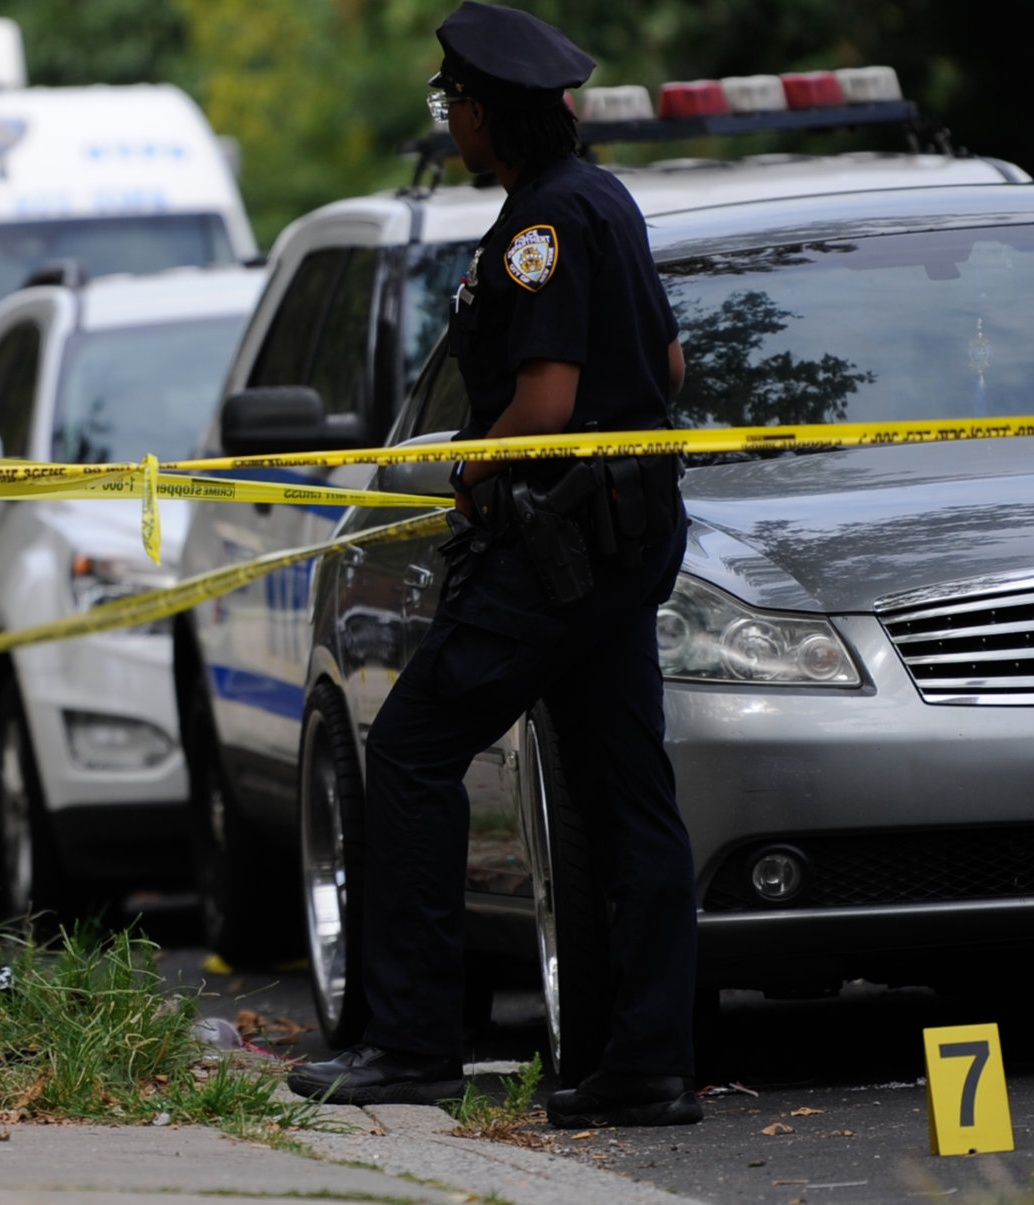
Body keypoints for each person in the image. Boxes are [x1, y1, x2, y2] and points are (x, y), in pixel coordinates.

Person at [287, 1, 701, 1129]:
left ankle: (411, 1044)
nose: (448, 120)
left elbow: (551, 401)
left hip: (552, 543)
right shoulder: (601, 199)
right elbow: (664, 358)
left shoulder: (540, 225)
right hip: (619, 539)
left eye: (451, 103)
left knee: (414, 751)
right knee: (627, 790)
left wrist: (474, 463)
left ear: (488, 112)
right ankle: (647, 1062)